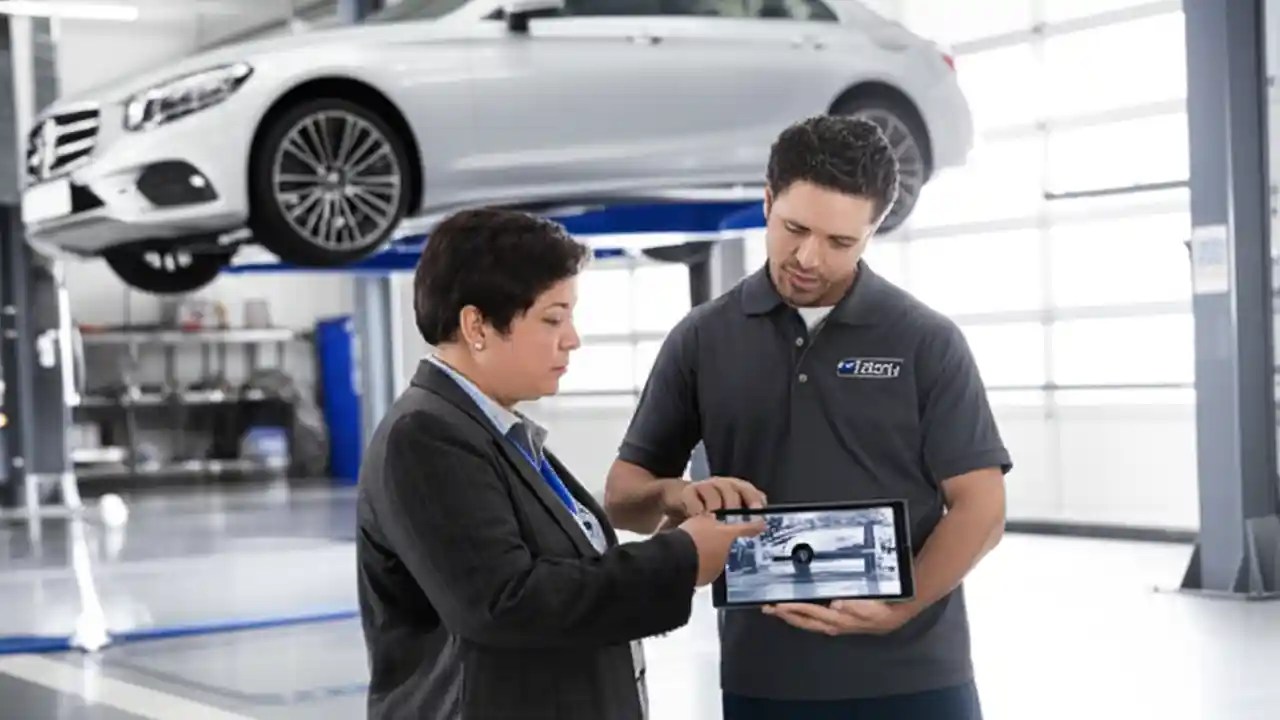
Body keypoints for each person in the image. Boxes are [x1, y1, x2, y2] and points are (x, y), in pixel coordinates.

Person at [604, 115, 1012, 719]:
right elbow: (623, 499)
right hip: (766, 681)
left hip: (918, 679)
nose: (808, 258)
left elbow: (982, 506)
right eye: (794, 228)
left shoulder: (926, 341)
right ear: (768, 201)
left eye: (840, 242)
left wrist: (900, 609)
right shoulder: (701, 338)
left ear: (873, 232)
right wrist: (678, 495)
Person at [355, 208, 764, 720]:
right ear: (476, 325)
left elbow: (567, 576)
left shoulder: (496, 433)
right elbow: (507, 602)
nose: (572, 339)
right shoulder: (425, 437)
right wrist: (681, 559)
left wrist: (673, 527)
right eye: (553, 318)